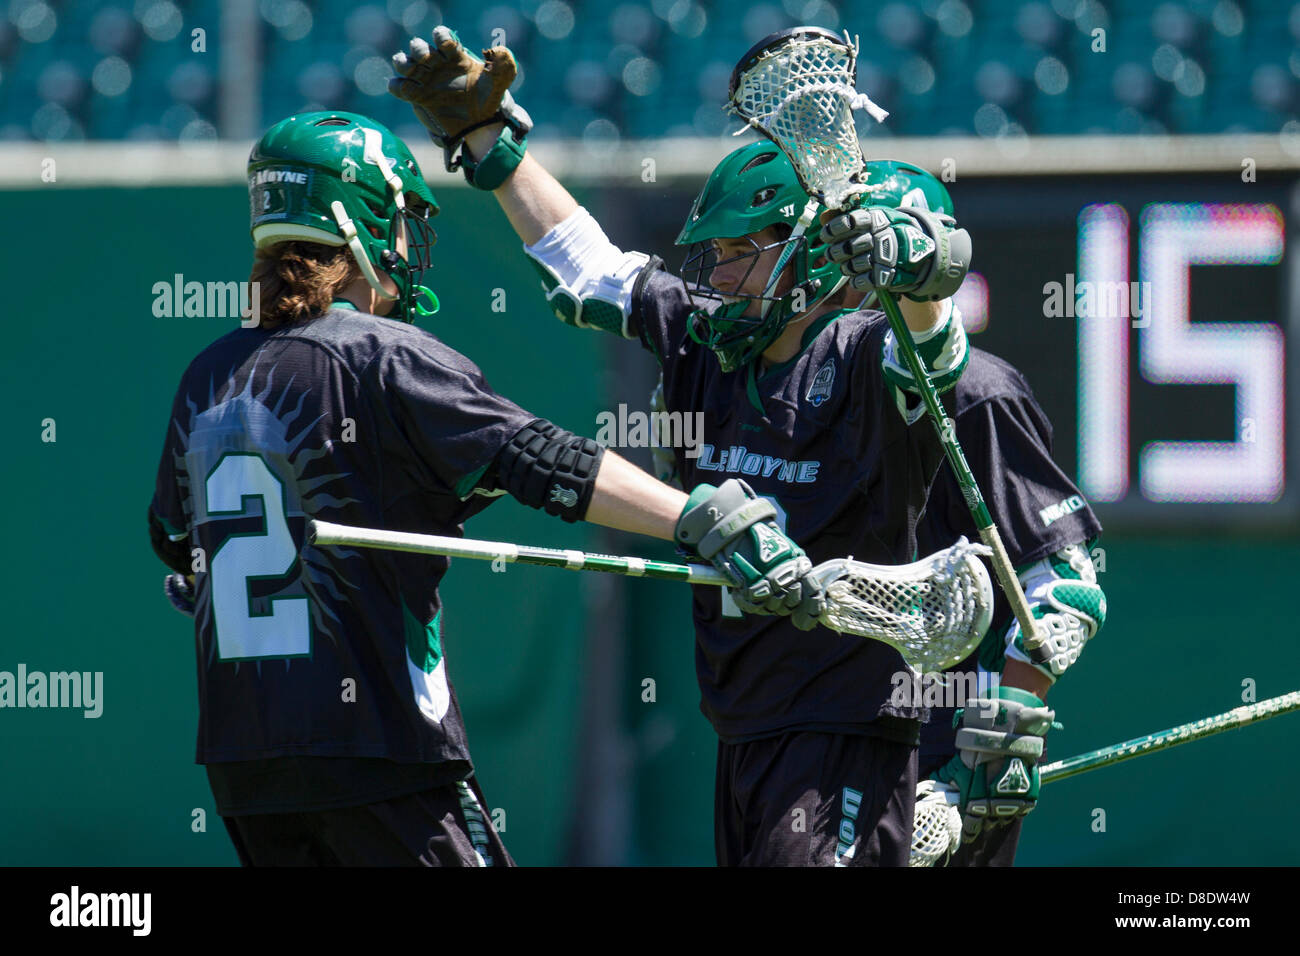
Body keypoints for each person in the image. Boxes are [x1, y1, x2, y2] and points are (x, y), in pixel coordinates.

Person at [146, 110, 821, 867]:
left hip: (247, 765)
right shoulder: (382, 354)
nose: (406, 247)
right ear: (358, 219)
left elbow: (177, 542)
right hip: (379, 747)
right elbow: (542, 459)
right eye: (399, 222)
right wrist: (701, 517)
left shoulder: (205, 376)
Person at [388, 28, 975, 866]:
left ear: (805, 258)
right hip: (743, 730)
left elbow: (937, 340)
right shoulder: (704, 336)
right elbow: (584, 269)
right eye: (717, 252)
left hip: (844, 731)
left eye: (743, 253)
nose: (721, 272)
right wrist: (490, 145)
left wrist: (916, 260)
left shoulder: (866, 356)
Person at [858, 163, 1107, 867]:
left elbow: (1062, 582)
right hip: (829, 727)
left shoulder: (980, 396)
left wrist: (1001, 738)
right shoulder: (814, 384)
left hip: (940, 754)